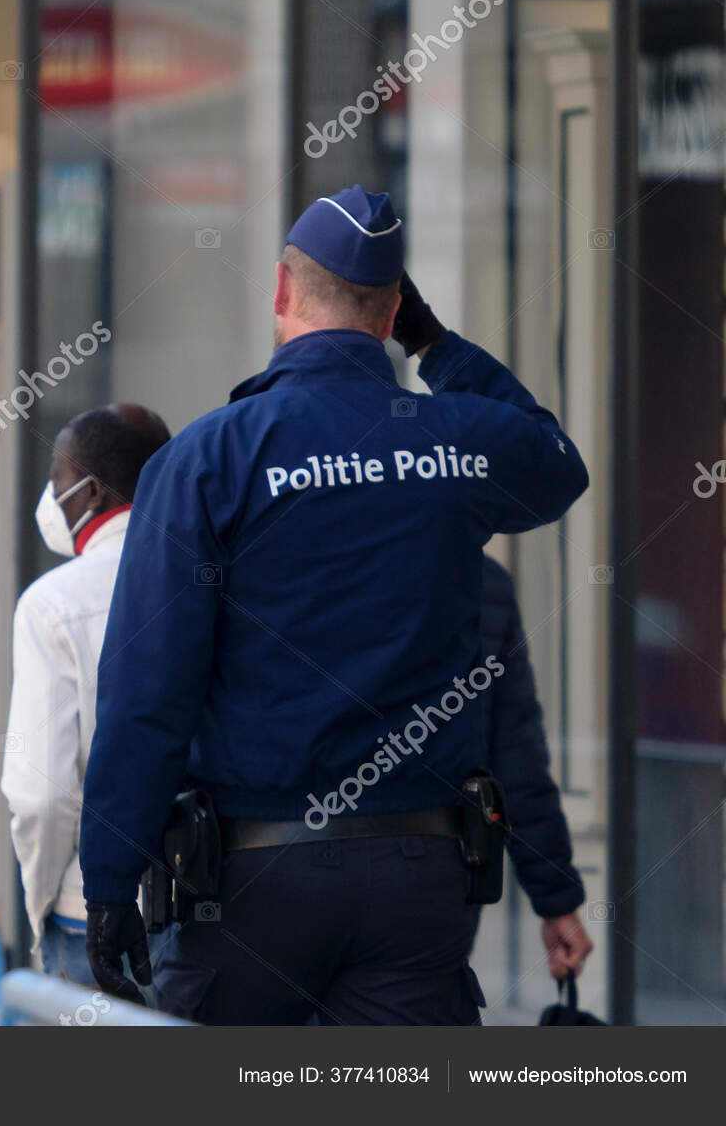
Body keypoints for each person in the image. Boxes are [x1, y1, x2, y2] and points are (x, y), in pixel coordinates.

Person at [79, 185, 589, 1025]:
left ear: (282, 292)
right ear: (393, 316)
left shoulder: (211, 457)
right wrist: (439, 346)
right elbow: (558, 460)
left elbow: (148, 691)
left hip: (252, 884)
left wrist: (108, 879)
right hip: (419, 881)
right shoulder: (452, 439)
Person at [0, 404, 171, 984]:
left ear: (92, 493)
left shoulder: (53, 603)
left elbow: (42, 797)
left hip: (89, 914)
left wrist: (42, 905)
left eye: (57, 483)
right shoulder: (214, 579)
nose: (51, 499)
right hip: (214, 906)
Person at [476, 555, 594, 983]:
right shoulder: (480, 577)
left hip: (284, 854)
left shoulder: (282, 551)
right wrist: (556, 899)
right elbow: (515, 756)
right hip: (430, 867)